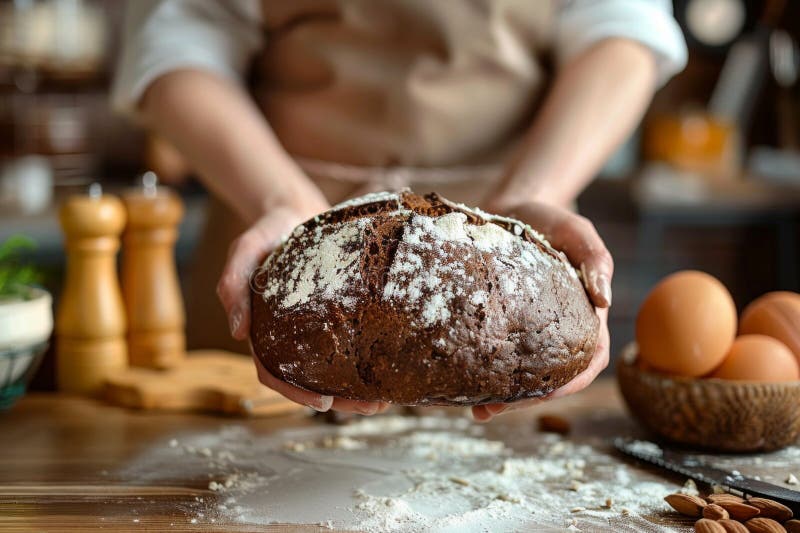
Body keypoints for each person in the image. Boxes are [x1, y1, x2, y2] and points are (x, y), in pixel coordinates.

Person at [113, 0, 687, 421]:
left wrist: (538, 192)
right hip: (292, 246)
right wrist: (280, 199)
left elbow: (620, 28)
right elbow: (179, 37)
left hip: (508, 272)